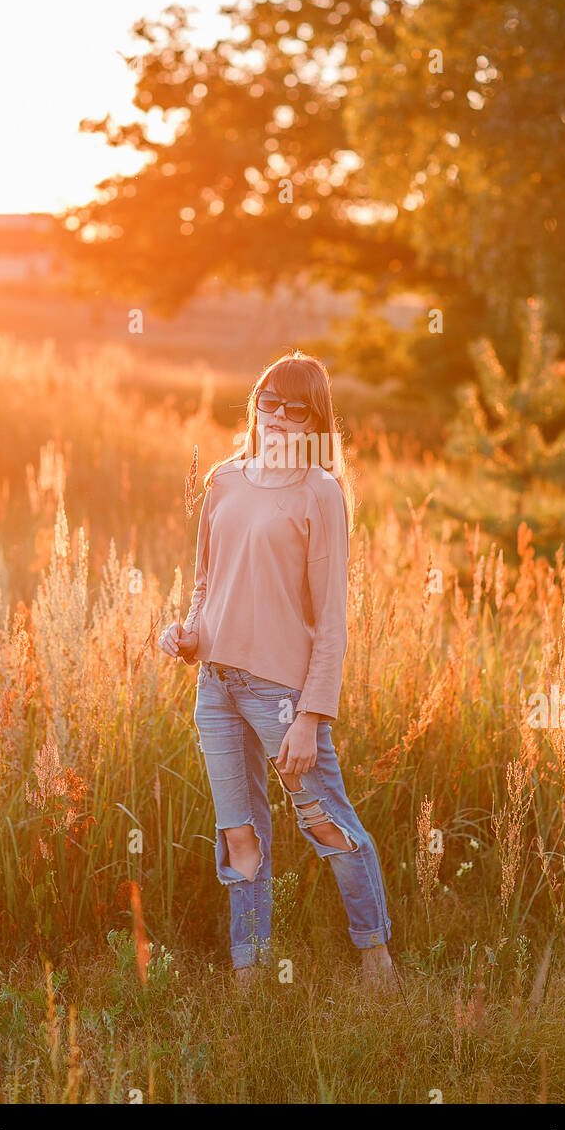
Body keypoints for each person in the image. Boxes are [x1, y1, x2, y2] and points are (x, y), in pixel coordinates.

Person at [158, 350, 395, 991]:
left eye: (296, 409)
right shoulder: (225, 481)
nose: (279, 418)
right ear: (256, 404)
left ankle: (376, 960)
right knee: (239, 835)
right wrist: (187, 634)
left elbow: (332, 620)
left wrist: (310, 717)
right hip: (215, 686)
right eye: (269, 401)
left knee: (326, 824)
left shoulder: (321, 492)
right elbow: (207, 583)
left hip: (283, 698)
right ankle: (249, 978)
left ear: (315, 420)